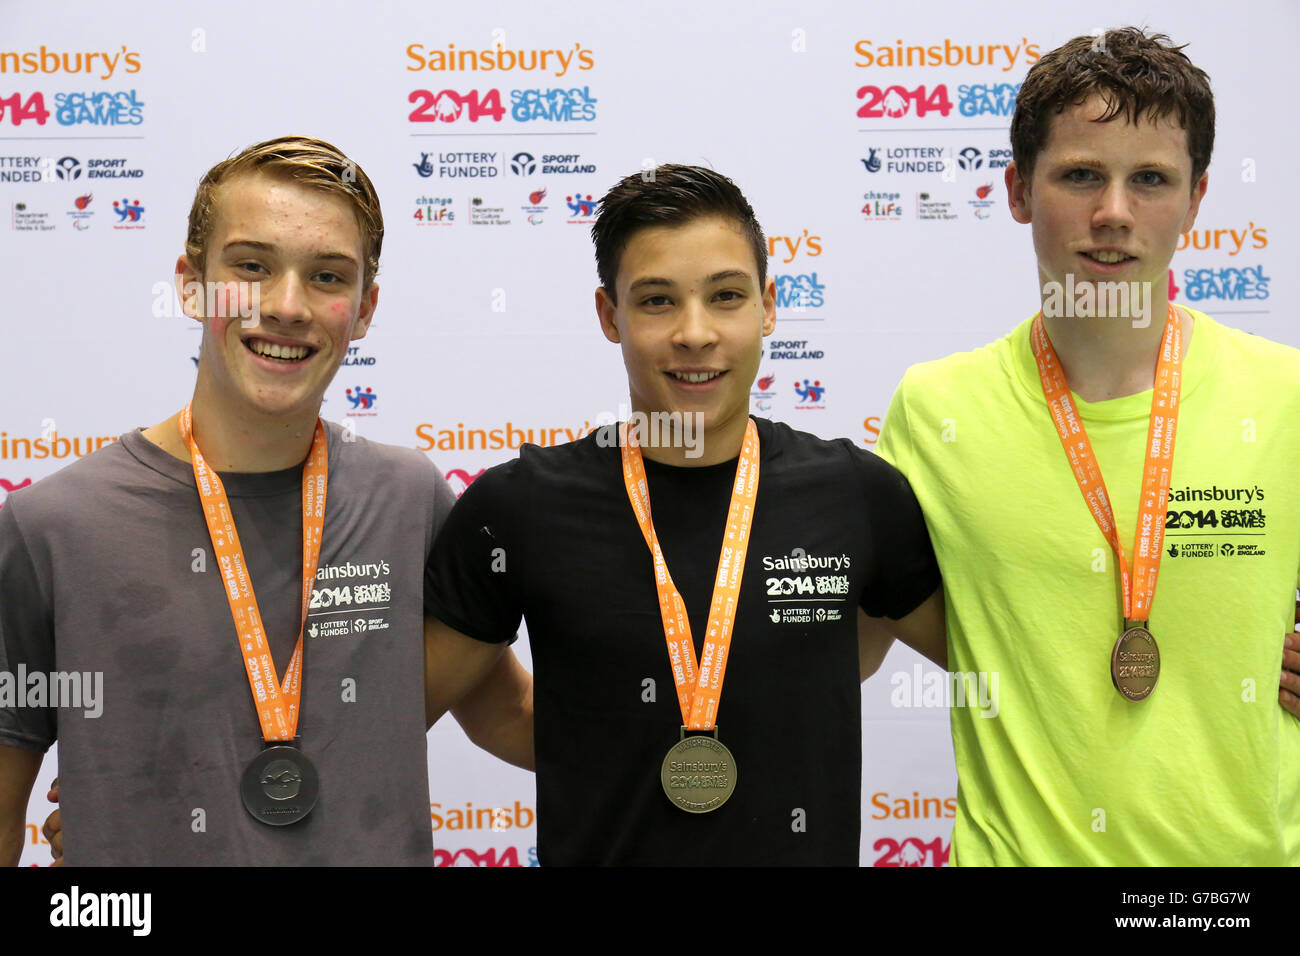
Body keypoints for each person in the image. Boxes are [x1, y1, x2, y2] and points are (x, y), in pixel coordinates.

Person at [0, 136, 530, 866]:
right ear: (191, 285)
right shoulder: (53, 528)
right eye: (251, 267)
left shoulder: (409, 500)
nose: (286, 306)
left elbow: (510, 716)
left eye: (326, 276)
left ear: (365, 309)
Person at [423, 164, 945, 865]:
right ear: (610, 316)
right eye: (658, 301)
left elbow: (997, 663)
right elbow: (437, 712)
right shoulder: (519, 507)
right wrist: (604, 752)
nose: (695, 333)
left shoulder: (855, 493)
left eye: (726, 296)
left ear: (768, 306)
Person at [875, 27, 1300, 865]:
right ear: (1018, 191)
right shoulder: (935, 410)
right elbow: (866, 630)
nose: (1113, 212)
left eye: (1150, 179)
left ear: (1196, 200)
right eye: (1080, 175)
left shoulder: (1285, 397)